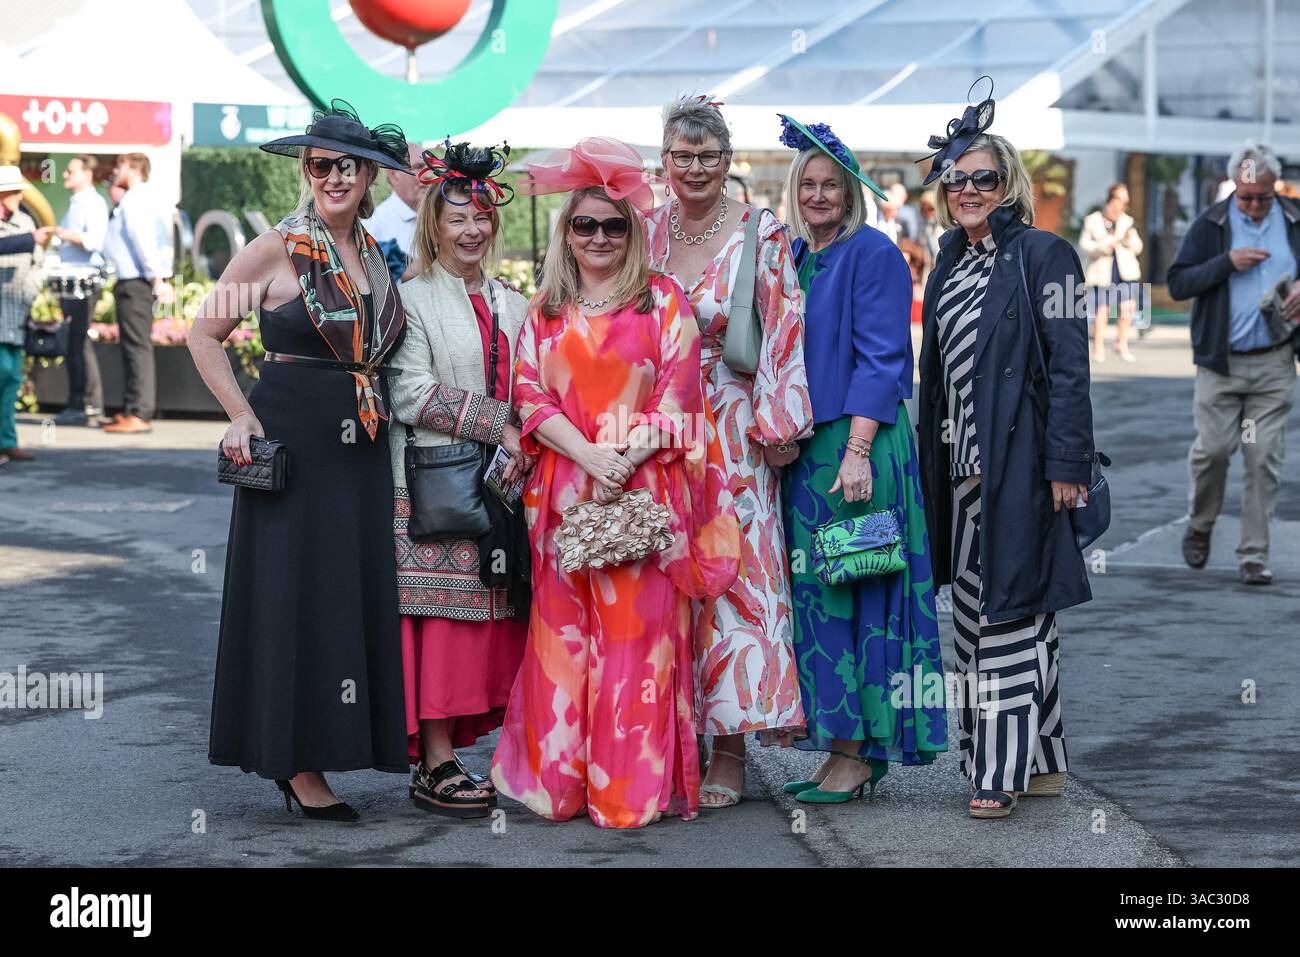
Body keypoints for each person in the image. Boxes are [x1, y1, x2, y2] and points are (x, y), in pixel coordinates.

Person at [490, 137, 741, 828]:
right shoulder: (544, 308)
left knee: (637, 646)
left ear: (632, 231)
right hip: (566, 502)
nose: (598, 236)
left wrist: (622, 461)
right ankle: (562, 786)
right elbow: (530, 398)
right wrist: (594, 460)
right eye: (584, 224)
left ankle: (628, 793)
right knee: (562, 642)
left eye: (613, 224)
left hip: (644, 500)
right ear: (565, 233)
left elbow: (679, 396)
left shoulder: (662, 299)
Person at [189, 100, 413, 821]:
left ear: (368, 174)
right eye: (320, 165)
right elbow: (203, 333)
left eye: (347, 165)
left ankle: (330, 741)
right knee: (292, 596)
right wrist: (240, 414)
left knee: (341, 599)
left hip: (360, 449)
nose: (333, 176)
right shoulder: (277, 247)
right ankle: (295, 763)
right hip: (293, 441)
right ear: (308, 171)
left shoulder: (375, 252)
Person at [915, 87, 1096, 819]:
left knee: (1010, 613)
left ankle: (998, 769)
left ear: (1008, 184)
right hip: (959, 473)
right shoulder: (949, 261)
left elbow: (1073, 367)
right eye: (955, 179)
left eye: (982, 178)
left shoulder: (1047, 256)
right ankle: (1042, 757)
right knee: (971, 616)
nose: (966, 190)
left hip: (1020, 467)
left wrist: (1067, 465)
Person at [772, 116, 946, 804]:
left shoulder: (872, 252)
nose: (818, 195)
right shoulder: (796, 253)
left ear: (849, 191)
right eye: (807, 184)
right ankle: (838, 744)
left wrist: (857, 450)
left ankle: (859, 753)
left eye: (829, 185)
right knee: (820, 597)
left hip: (857, 446)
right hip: (810, 452)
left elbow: (883, 356)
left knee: (860, 588)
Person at [645, 95, 813, 808]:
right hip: (655, 427)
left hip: (734, 424)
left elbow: (784, 328)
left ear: (727, 161)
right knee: (664, 577)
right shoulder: (642, 232)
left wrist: (779, 426)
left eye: (707, 156)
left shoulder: (760, 233)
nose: (694, 168)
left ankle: (732, 750)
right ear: (664, 161)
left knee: (735, 579)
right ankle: (665, 738)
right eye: (681, 156)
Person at [385, 140, 531, 818]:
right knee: (441, 621)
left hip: (502, 486)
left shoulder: (514, 302)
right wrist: (498, 422)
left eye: (481, 219)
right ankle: (435, 761)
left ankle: (461, 756)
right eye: (457, 219)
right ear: (433, 226)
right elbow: (406, 391)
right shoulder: (411, 298)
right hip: (435, 482)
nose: (471, 230)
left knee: (490, 616)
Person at [1168, 140, 1300, 586]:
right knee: (1214, 452)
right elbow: (1179, 282)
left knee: (1263, 458)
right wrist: (1227, 262)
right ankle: (1201, 524)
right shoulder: (1212, 222)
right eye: (1246, 197)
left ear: (1275, 186)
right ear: (1234, 188)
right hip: (1220, 364)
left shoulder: (1294, 219)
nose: (1255, 205)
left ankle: (1253, 555)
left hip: (1274, 363)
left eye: (1263, 196)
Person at [100, 153, 174, 434]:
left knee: (137, 347)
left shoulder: (135, 200)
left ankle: (140, 413)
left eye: (120, 166)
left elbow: (143, 242)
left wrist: (157, 279)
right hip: (131, 281)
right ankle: (132, 408)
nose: (116, 171)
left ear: (133, 169)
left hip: (136, 282)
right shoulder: (135, 198)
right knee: (131, 347)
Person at [52, 154, 108, 425]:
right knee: (76, 343)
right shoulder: (78, 203)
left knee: (78, 343)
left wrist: (63, 234)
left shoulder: (93, 203)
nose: (64, 175)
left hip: (83, 282)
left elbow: (93, 240)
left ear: (86, 174)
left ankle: (85, 403)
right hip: (73, 281)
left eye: (70, 171)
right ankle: (84, 403)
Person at [0, 166, 44, 465]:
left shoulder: (25, 221)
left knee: (12, 377)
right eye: (15, 191)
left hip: (15, 310)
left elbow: (36, 266)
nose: (20, 196)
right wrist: (29, 239)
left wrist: (28, 295)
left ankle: (7, 440)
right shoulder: (26, 231)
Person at [1080, 183, 1143, 363]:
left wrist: (1130, 241)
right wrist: (1103, 246)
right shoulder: (1093, 220)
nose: (1121, 204)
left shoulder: (1127, 222)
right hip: (1102, 271)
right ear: (1111, 199)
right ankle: (1098, 347)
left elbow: (1138, 248)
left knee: (1127, 308)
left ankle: (1121, 344)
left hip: (1125, 271)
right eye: (1119, 199)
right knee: (1102, 311)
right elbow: (1084, 245)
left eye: (1124, 201)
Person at [363, 142, 428, 280]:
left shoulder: (442, 217)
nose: (429, 175)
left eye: (431, 168)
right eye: (418, 168)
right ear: (394, 175)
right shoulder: (373, 226)